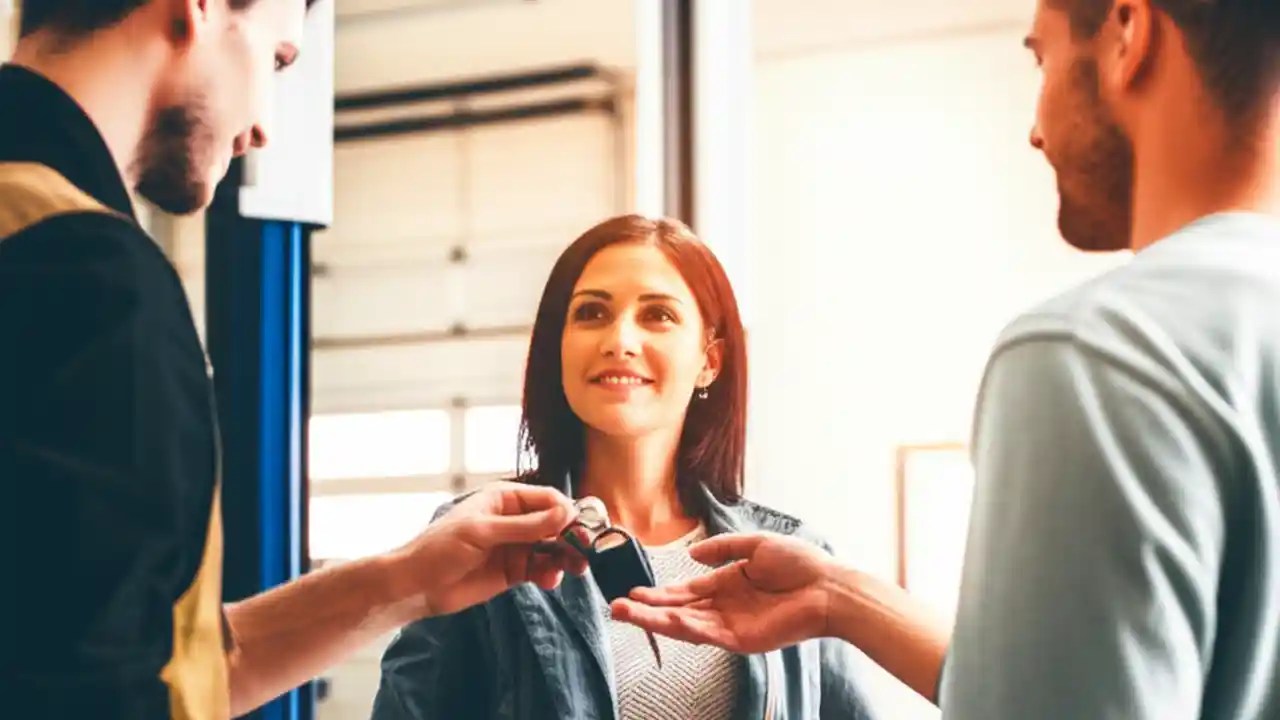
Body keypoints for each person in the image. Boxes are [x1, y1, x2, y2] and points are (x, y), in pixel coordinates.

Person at [613, 0, 1280, 718]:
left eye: (1040, 57)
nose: (1034, 130)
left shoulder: (1100, 352)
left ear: (1128, 32)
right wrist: (838, 596)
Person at [0, 2, 585, 718]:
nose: (265, 125)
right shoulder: (85, 275)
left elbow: (136, 665)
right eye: (276, 61)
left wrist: (411, 579)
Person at [370, 215, 883, 720]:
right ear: (559, 349)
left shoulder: (796, 559)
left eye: (658, 315)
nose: (619, 339)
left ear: (710, 360)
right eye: (591, 313)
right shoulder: (484, 540)